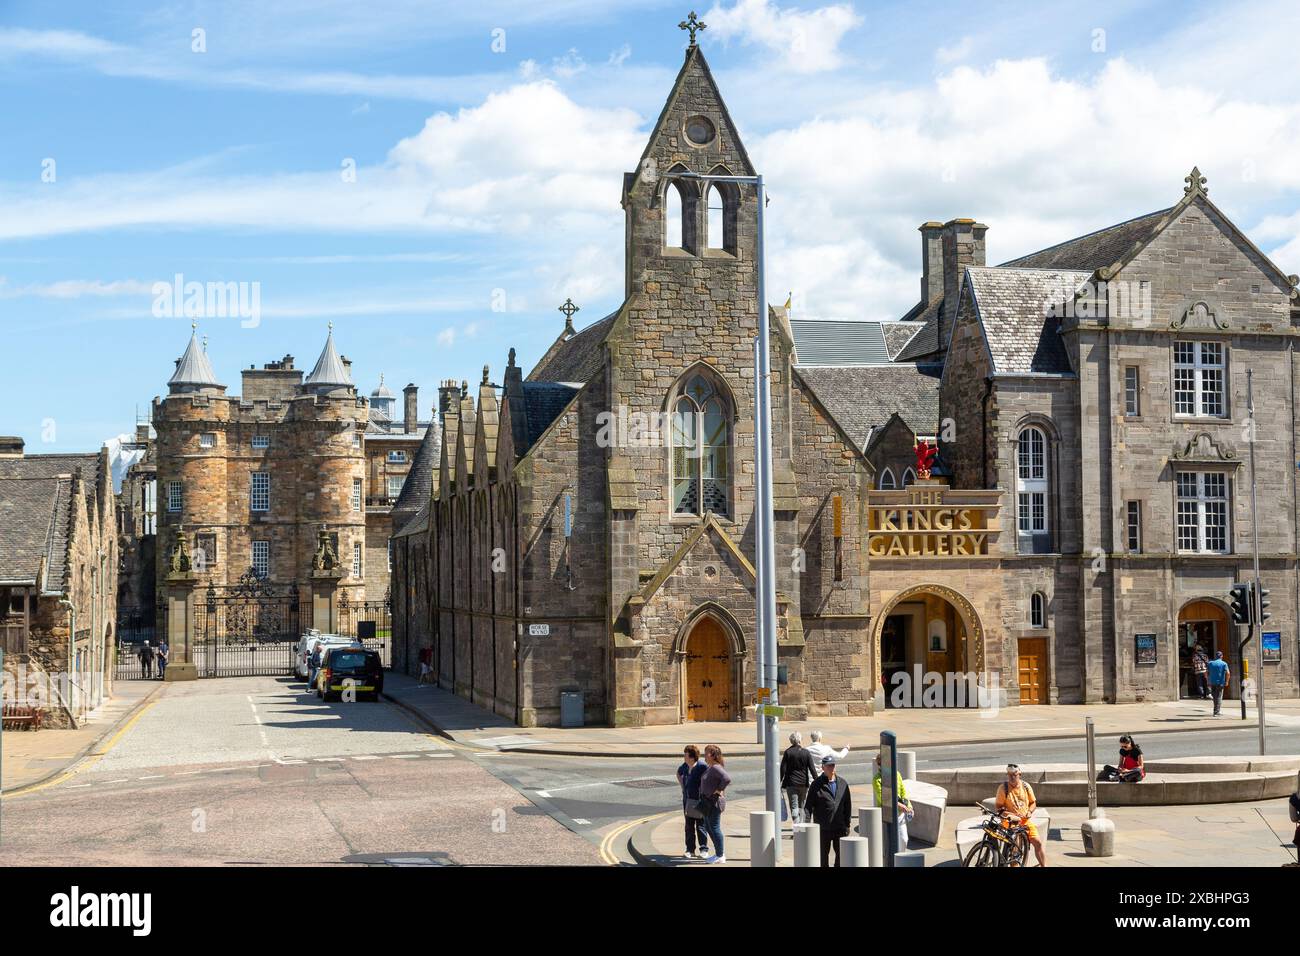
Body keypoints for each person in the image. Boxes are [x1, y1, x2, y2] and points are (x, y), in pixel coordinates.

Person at [995, 764, 1047, 867]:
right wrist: (1009, 814)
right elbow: (998, 807)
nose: (1012, 777)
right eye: (1009, 775)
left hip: (1025, 821)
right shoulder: (1003, 788)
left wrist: (1029, 812)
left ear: (1019, 774)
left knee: (1038, 843)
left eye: (1014, 774)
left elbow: (1033, 803)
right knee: (1015, 847)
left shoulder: (1026, 786)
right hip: (1010, 822)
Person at [805, 754, 853, 866]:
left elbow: (847, 805)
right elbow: (808, 807)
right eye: (828, 766)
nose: (831, 768)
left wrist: (847, 823)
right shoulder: (816, 784)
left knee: (841, 857)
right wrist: (806, 825)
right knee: (822, 857)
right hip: (823, 828)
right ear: (823, 767)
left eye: (833, 765)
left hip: (839, 827)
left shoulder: (842, 783)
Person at [873, 753, 913, 852]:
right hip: (887, 816)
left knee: (904, 840)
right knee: (889, 844)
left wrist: (909, 806)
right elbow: (885, 798)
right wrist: (900, 806)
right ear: (880, 765)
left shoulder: (897, 774)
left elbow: (903, 792)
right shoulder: (877, 780)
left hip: (900, 815)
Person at [698, 745, 731, 864]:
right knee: (708, 826)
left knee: (715, 827)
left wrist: (719, 789)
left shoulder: (716, 767)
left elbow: (726, 778)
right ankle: (719, 852)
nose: (704, 755)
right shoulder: (710, 767)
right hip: (707, 802)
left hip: (714, 802)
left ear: (712, 755)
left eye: (706, 753)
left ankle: (720, 855)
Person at [676, 745, 710, 860]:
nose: (684, 757)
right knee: (689, 826)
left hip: (699, 801)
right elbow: (678, 773)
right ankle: (690, 850)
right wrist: (683, 787)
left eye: (685, 755)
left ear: (692, 757)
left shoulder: (702, 766)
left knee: (701, 825)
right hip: (687, 800)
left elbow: (709, 780)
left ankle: (704, 849)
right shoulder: (685, 766)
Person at [779, 731, 816, 826]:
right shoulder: (806, 753)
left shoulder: (788, 752)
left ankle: (797, 825)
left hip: (791, 784)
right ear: (800, 740)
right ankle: (801, 825)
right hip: (803, 784)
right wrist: (817, 781)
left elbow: (783, 769)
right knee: (802, 805)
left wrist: (779, 781)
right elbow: (812, 768)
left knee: (794, 806)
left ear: (791, 741)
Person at [1207, 650, 1230, 717]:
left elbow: (1206, 672)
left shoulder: (1210, 663)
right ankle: (1216, 712)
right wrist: (1227, 681)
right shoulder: (1224, 663)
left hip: (1212, 682)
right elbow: (1228, 673)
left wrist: (1208, 680)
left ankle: (1215, 710)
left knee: (1215, 697)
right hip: (1220, 682)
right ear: (1221, 656)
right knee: (1219, 697)